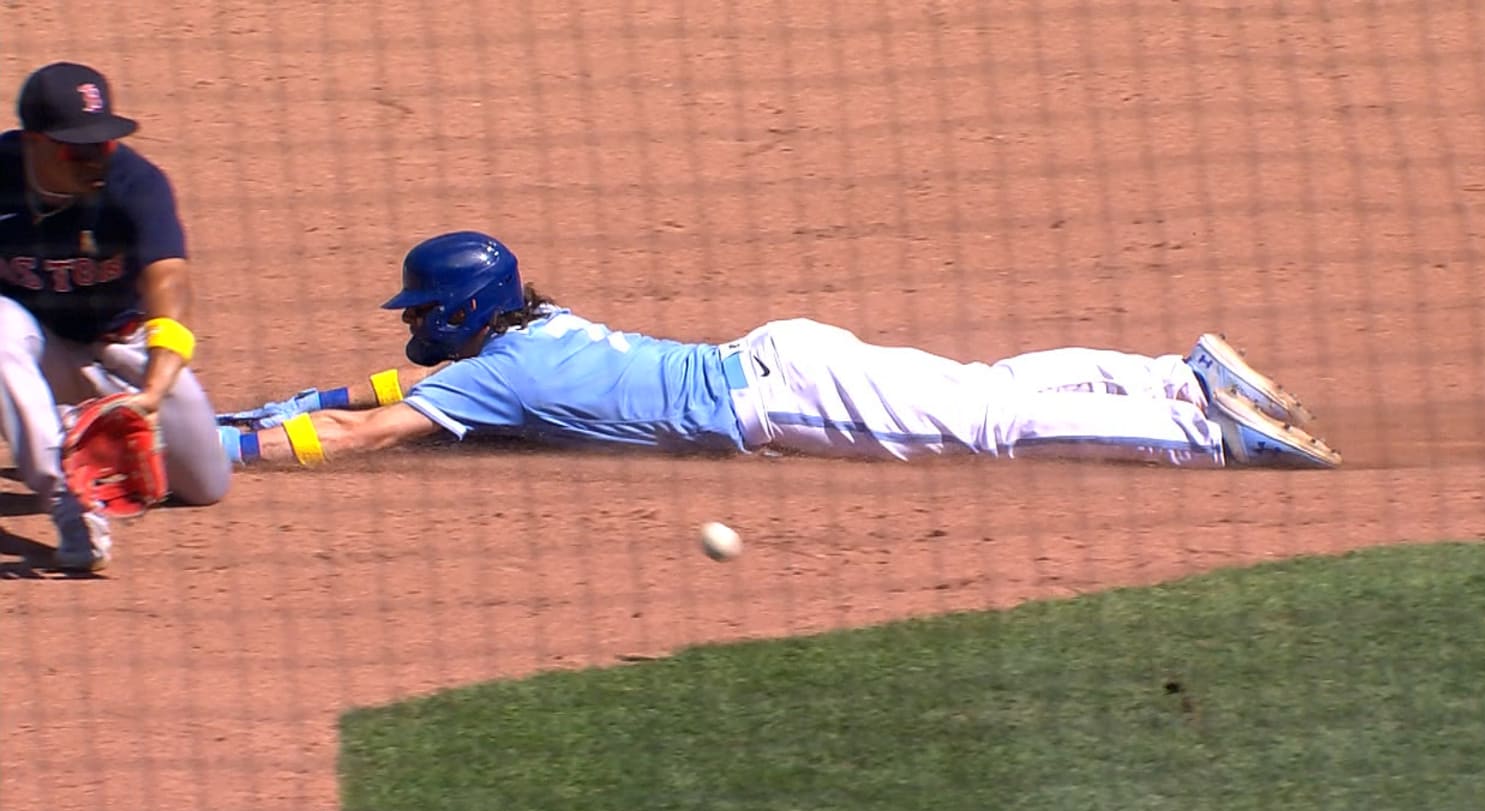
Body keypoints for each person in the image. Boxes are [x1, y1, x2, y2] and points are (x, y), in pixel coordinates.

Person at [213, 230, 1343, 474]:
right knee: (985, 389)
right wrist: (260, 409)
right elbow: (386, 391)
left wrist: (230, 455)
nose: (412, 329)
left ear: (465, 311)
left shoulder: (492, 372)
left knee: (991, 423)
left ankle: (1212, 434)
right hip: (783, 356)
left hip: (788, 392)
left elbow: (367, 424)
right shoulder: (523, 336)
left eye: (421, 312)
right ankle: (1176, 376)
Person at [0, 61, 231, 572]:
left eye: (101, 144)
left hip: (115, 351)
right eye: (75, 149)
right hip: (27, 346)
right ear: (32, 141)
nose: (93, 161)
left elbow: (170, 282)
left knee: (204, 486)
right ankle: (67, 504)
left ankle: (72, 421)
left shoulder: (136, 185)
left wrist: (151, 392)